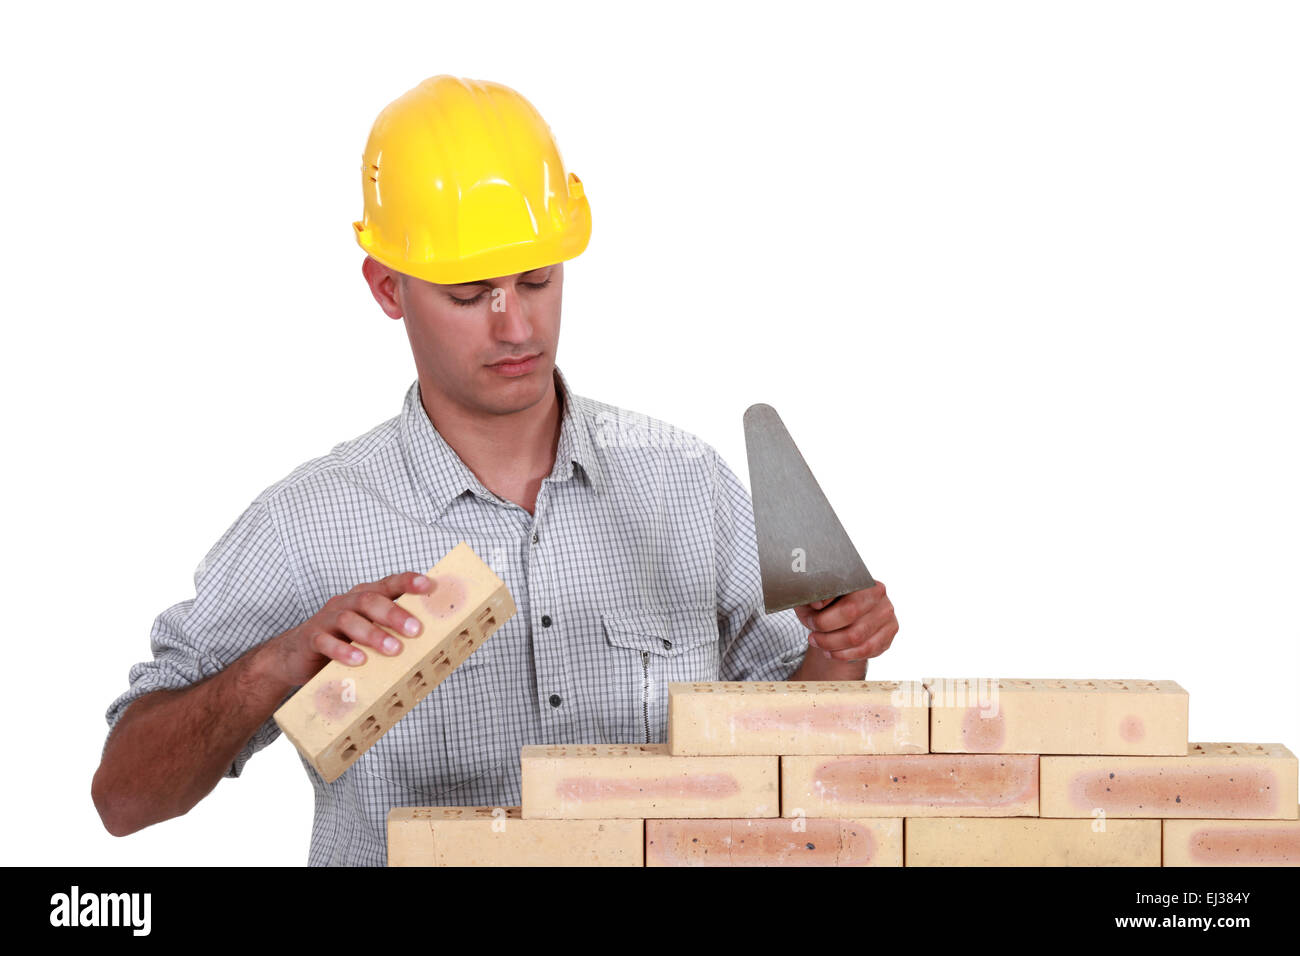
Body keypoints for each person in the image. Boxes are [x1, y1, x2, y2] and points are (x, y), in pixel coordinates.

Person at [91, 75, 899, 866]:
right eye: (471, 292)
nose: (515, 323)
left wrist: (840, 652)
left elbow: (790, 763)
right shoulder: (306, 527)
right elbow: (124, 799)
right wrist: (276, 665)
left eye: (537, 279)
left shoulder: (686, 485)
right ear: (387, 288)